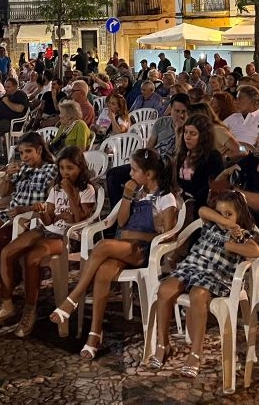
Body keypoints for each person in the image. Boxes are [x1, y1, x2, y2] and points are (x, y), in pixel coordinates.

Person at [49, 148, 177, 360]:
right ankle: (94, 335)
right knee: (103, 272)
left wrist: (136, 235)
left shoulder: (166, 198)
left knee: (102, 246)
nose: (130, 174)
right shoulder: (137, 192)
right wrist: (126, 196)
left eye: (134, 170)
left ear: (149, 174)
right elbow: (121, 222)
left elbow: (168, 236)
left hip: (144, 251)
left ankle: (74, 297)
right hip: (124, 247)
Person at [0, 146, 96, 336]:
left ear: (80, 168)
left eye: (70, 168)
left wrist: (70, 194)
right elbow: (49, 220)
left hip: (68, 237)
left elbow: (79, 220)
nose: (65, 173)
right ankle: (6, 304)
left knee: (32, 256)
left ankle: (30, 309)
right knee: (7, 252)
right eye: (62, 168)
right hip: (46, 229)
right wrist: (42, 211)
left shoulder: (87, 190)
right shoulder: (56, 188)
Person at [147, 190, 259, 377]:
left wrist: (231, 244)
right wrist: (226, 222)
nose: (223, 217)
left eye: (229, 214)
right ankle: (162, 344)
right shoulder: (211, 225)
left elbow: (256, 251)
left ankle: (196, 352)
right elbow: (202, 210)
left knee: (198, 294)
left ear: (240, 214)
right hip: (191, 267)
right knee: (164, 290)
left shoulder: (242, 234)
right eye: (219, 213)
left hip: (215, 276)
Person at [0, 132, 57, 280]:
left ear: (39, 150)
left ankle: (10, 272)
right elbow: (3, 194)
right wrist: (7, 176)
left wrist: (25, 209)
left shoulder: (51, 170)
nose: (24, 156)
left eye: (28, 151)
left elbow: (51, 202)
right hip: (12, 211)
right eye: (22, 153)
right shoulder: (22, 169)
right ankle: (5, 271)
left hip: (31, 215)